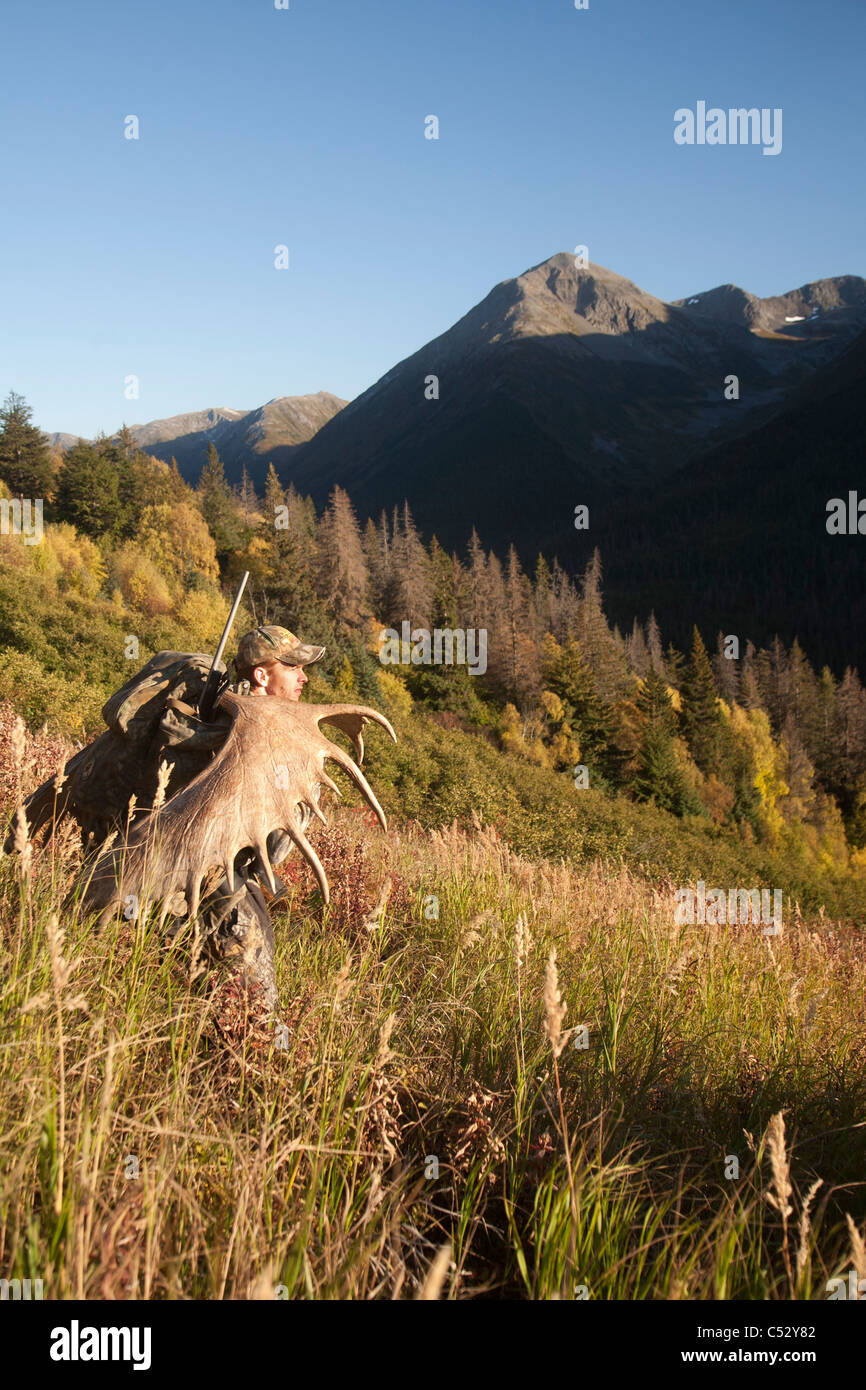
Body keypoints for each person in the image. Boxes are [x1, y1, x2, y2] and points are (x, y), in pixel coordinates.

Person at [197, 625, 327, 1015]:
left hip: (200, 875)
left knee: (197, 991)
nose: (303, 676)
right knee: (257, 1008)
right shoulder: (253, 735)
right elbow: (271, 846)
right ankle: (253, 1071)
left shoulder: (220, 714)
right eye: (292, 666)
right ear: (261, 675)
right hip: (219, 879)